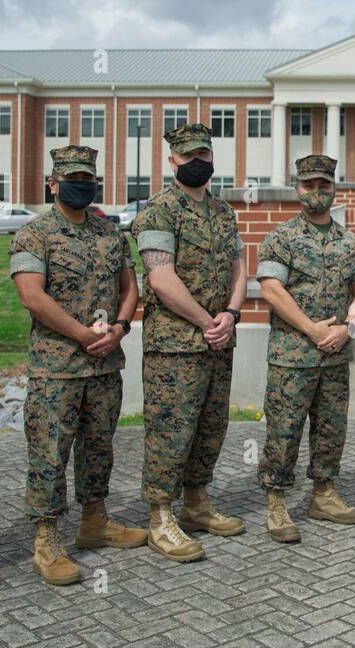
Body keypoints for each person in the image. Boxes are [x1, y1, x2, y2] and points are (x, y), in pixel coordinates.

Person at [10, 145, 147, 585]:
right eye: (71, 179)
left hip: (105, 364)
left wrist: (121, 328)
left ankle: (94, 522)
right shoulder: (35, 235)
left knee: (99, 449)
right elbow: (32, 296)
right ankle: (47, 540)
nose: (80, 185)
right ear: (52, 184)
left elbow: (131, 286)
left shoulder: (110, 232)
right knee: (50, 455)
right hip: (58, 367)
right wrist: (81, 334)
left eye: (87, 179)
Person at [132, 122, 247, 562]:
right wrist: (206, 321)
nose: (197, 162)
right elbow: (161, 278)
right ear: (172, 161)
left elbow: (239, 265)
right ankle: (160, 517)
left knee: (210, 426)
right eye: (188, 156)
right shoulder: (158, 211)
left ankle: (197, 503)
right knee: (170, 430)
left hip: (218, 339)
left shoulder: (223, 212)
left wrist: (231, 315)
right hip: (175, 345)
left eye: (203, 155)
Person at [254, 154, 355, 542]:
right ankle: (276, 502)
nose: (317, 192)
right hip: (292, 357)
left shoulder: (348, 241)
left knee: (331, 428)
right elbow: (272, 289)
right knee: (284, 430)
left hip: (335, 355)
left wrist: (350, 325)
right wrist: (311, 330)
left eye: (324, 185)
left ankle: (324, 494)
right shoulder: (282, 237)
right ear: (297, 188)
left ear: (334, 187)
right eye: (310, 185)